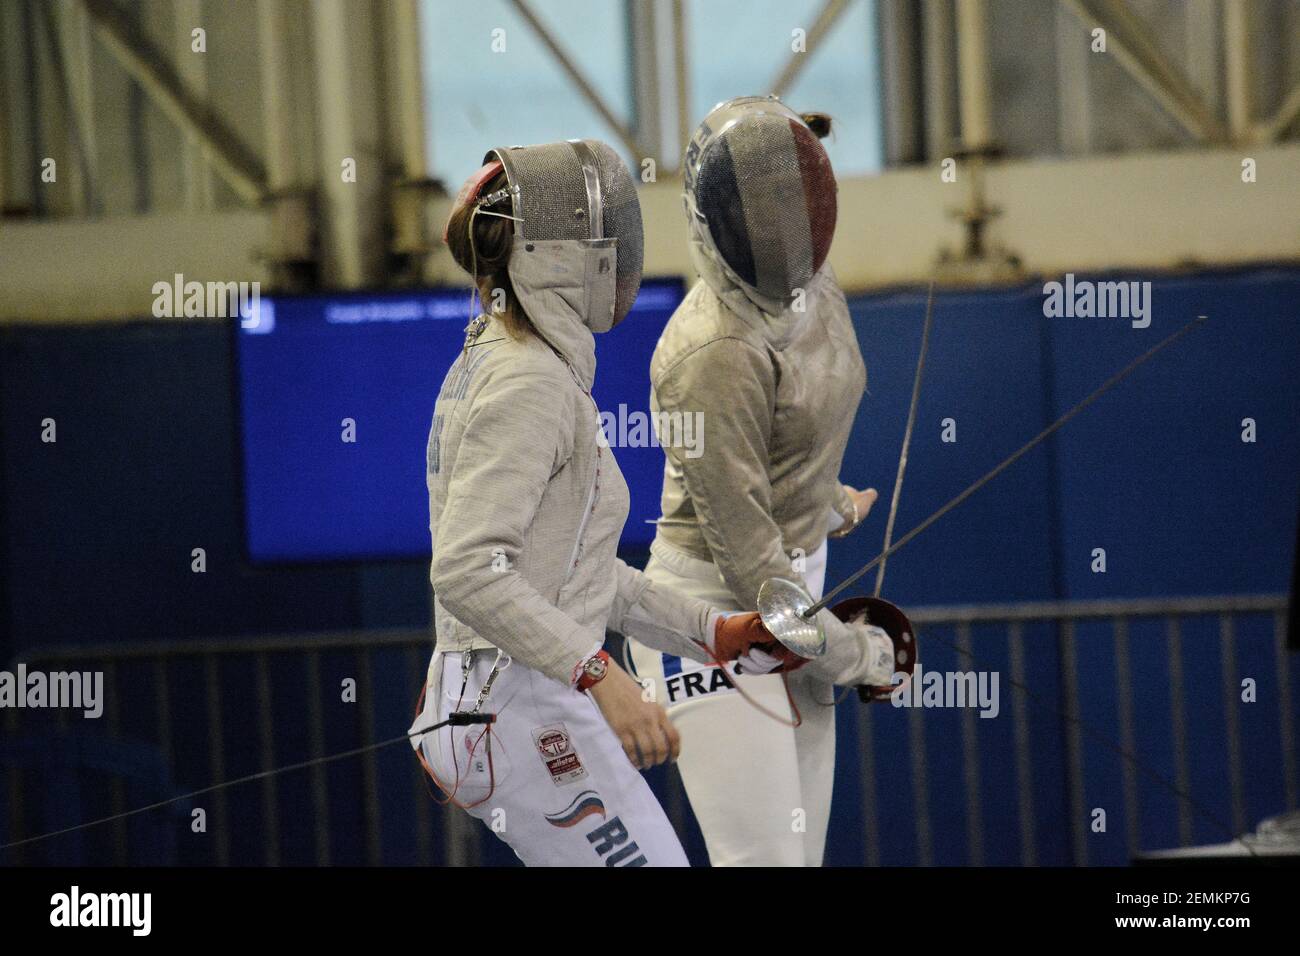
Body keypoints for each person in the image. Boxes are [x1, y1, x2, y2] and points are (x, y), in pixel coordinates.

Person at [407, 139, 816, 867]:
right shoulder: (528, 382)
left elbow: (572, 573)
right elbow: (466, 569)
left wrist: (711, 632)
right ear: (562, 258)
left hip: (505, 696)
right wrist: (602, 674)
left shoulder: (514, 363)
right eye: (610, 240)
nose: (623, 257)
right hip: (519, 703)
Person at [629, 97, 891, 866]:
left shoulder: (816, 283)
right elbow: (750, 563)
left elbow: (793, 432)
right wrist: (852, 655)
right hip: (710, 618)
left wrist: (826, 502)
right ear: (711, 221)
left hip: (797, 590)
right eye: (758, 205)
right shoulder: (709, 353)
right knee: (766, 862)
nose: (783, 225)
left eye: (793, 193)